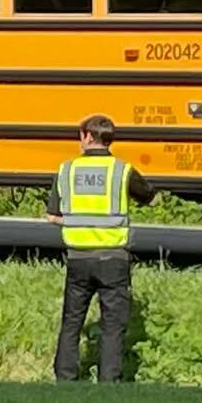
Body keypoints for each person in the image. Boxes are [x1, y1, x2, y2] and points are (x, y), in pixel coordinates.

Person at [46, 114, 156, 382]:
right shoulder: (122, 171)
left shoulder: (67, 170)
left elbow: (52, 215)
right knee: (113, 325)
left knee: (72, 322)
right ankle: (109, 380)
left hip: (78, 258)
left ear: (87, 136)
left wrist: (75, 221)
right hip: (113, 258)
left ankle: (65, 377)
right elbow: (150, 197)